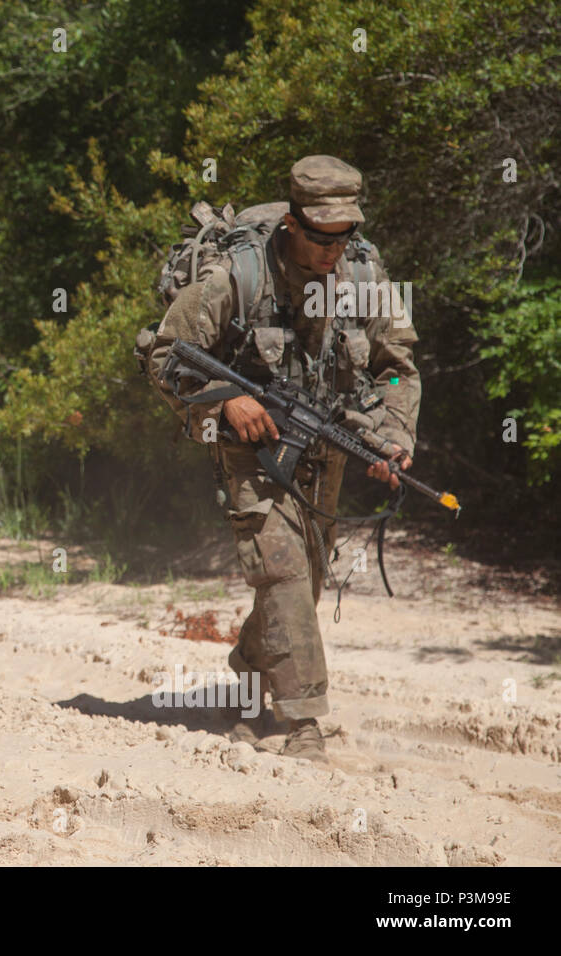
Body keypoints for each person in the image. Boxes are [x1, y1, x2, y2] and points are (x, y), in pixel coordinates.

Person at [148, 156, 421, 762]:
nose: (333, 250)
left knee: (305, 582)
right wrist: (227, 401)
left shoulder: (365, 275)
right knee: (283, 572)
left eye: (344, 235)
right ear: (293, 223)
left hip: (326, 446)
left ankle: (249, 677)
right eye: (322, 237)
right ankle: (304, 725)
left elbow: (396, 371)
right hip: (249, 447)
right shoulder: (239, 276)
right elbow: (166, 356)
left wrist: (393, 436)